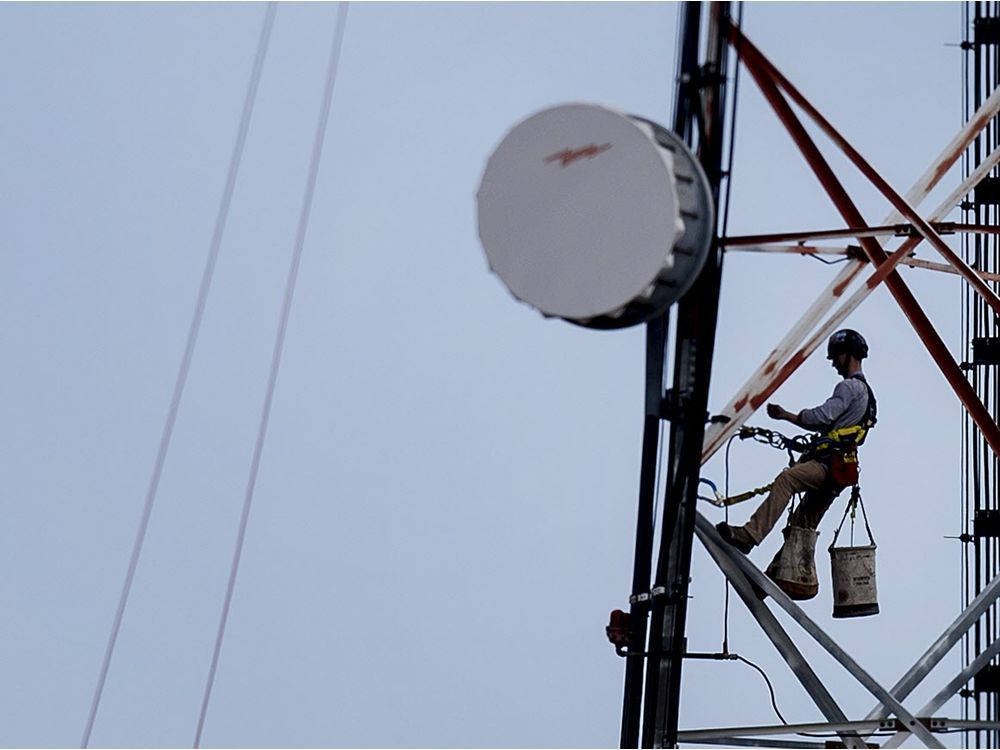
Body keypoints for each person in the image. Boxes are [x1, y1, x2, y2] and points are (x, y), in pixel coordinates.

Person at [716, 329, 877, 555]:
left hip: (829, 465)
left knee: (787, 480)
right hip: (840, 472)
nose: (834, 364)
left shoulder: (849, 387)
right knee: (803, 525)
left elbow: (821, 417)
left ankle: (750, 535)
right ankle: (784, 577)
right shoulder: (868, 396)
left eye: (836, 357)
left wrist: (786, 415)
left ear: (847, 354)